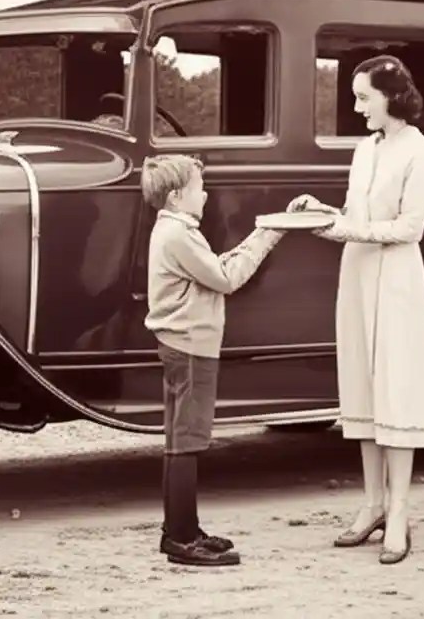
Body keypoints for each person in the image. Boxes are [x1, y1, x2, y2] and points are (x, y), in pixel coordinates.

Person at [289, 54, 424, 564]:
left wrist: (349, 229)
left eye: (364, 98)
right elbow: (356, 216)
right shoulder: (363, 149)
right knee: (362, 387)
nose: (356, 108)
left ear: (393, 96)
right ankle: (372, 505)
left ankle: (398, 512)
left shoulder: (422, 153)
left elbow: (409, 228)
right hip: (357, 274)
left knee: (396, 389)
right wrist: (321, 212)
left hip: (397, 279)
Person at [141, 153, 285, 567]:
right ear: (176, 196)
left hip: (182, 345)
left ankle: (186, 529)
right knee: (187, 441)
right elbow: (227, 278)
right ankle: (180, 538)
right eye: (199, 188)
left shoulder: (176, 230)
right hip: (190, 346)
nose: (205, 195)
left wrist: (264, 229)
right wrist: (269, 234)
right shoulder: (178, 235)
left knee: (181, 439)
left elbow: (215, 268)